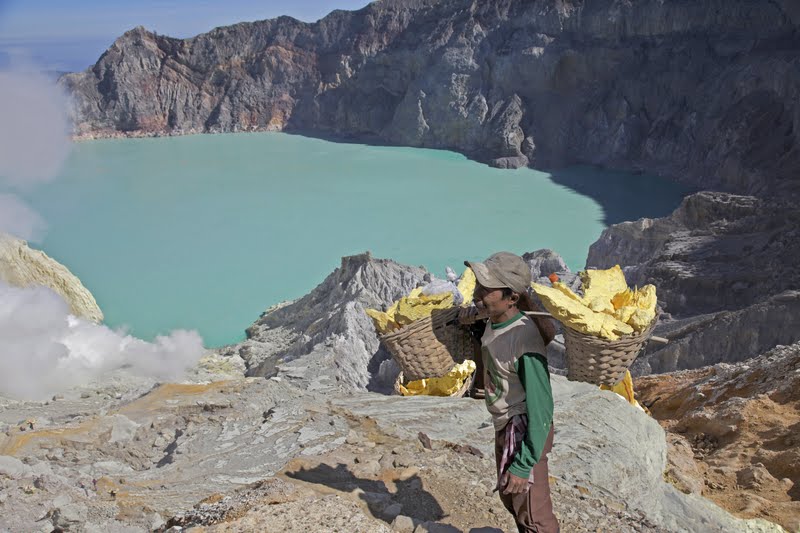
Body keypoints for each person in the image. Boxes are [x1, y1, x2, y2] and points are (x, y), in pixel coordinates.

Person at [460, 251, 559, 533]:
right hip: (506, 425)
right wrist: (472, 318)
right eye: (479, 286)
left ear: (511, 298)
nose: (478, 293)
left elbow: (542, 408)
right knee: (512, 499)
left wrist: (523, 464)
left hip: (525, 429)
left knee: (535, 516)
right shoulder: (495, 318)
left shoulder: (525, 340)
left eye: (486, 289)